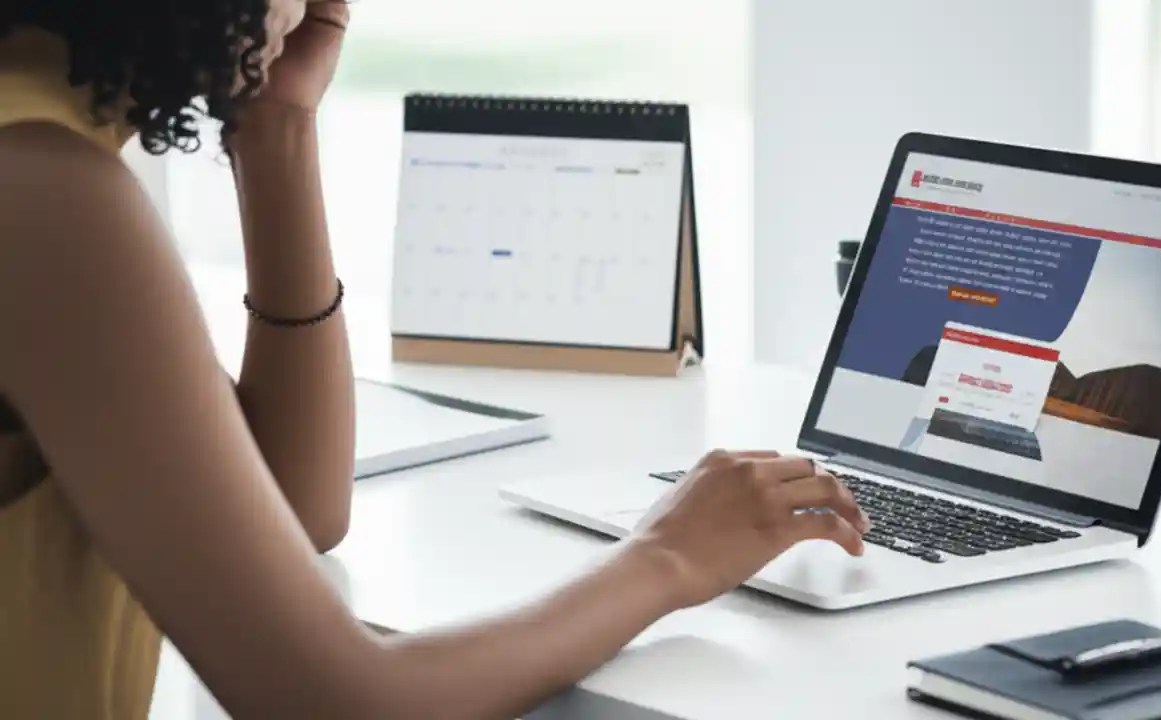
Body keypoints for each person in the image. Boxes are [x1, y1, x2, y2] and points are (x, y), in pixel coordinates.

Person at [0, 2, 871, 717]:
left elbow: (297, 508)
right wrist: (668, 558)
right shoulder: (44, 190)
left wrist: (277, 126)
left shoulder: (40, 145)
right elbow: (337, 700)